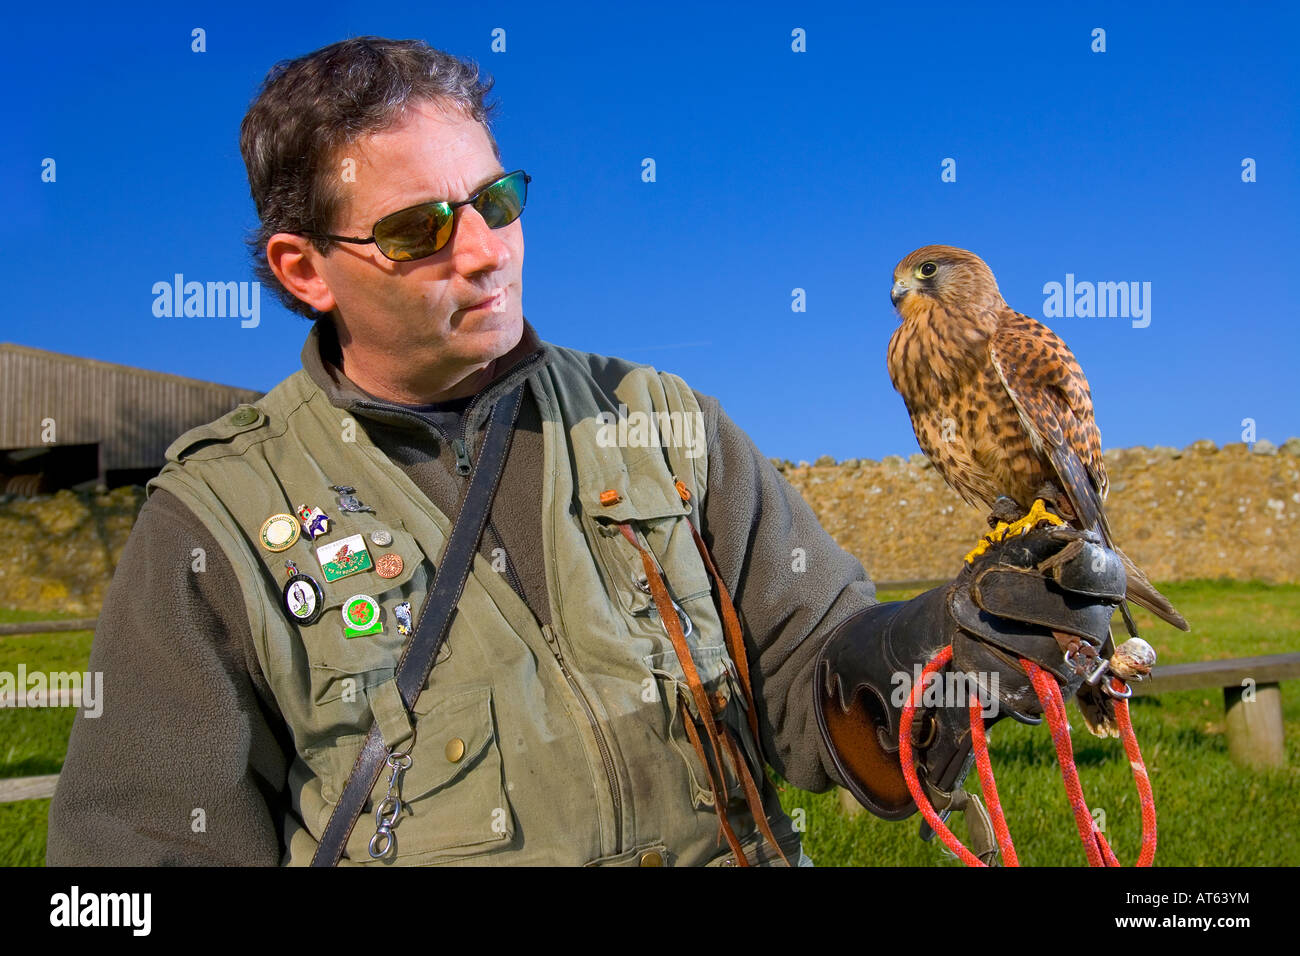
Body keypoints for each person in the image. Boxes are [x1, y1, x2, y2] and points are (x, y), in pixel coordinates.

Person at [46, 36, 1124, 867]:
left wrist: (943, 646)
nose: (482, 250)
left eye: (496, 202)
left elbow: (816, 674)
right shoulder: (218, 515)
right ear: (303, 269)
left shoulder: (662, 421)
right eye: (420, 230)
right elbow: (137, 859)